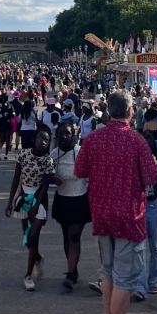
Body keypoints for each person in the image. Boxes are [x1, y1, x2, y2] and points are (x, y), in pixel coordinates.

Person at [75, 90, 157, 314]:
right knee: (124, 277)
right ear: (131, 111)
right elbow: (151, 176)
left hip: (101, 211)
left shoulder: (94, 139)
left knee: (108, 272)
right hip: (128, 215)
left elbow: (80, 170)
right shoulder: (136, 141)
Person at [6, 126, 56, 291]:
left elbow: (45, 185)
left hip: (39, 200)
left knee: (33, 236)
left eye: (46, 140)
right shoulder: (24, 154)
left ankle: (28, 276)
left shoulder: (48, 161)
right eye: (41, 138)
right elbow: (16, 179)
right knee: (27, 238)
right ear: (35, 138)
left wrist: (35, 205)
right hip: (23, 197)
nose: (43, 142)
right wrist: (10, 202)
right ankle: (38, 258)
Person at [52, 120, 92, 292]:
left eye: (67, 133)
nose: (64, 137)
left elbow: (91, 176)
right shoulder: (54, 155)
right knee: (66, 237)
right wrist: (52, 178)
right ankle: (73, 270)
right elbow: (46, 174)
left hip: (80, 200)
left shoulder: (81, 153)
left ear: (73, 135)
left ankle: (69, 274)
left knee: (74, 235)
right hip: (63, 200)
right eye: (61, 134)